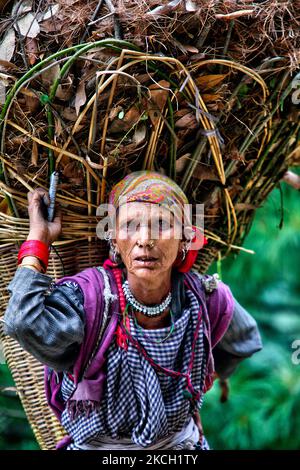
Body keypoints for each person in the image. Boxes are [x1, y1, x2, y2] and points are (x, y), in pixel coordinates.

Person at [2, 171, 262, 450]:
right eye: (130, 225)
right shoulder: (89, 301)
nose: (145, 239)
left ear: (185, 239)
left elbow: (243, 338)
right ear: (113, 240)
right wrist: (38, 240)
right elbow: (20, 322)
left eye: (162, 224)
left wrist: (201, 382)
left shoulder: (206, 299)